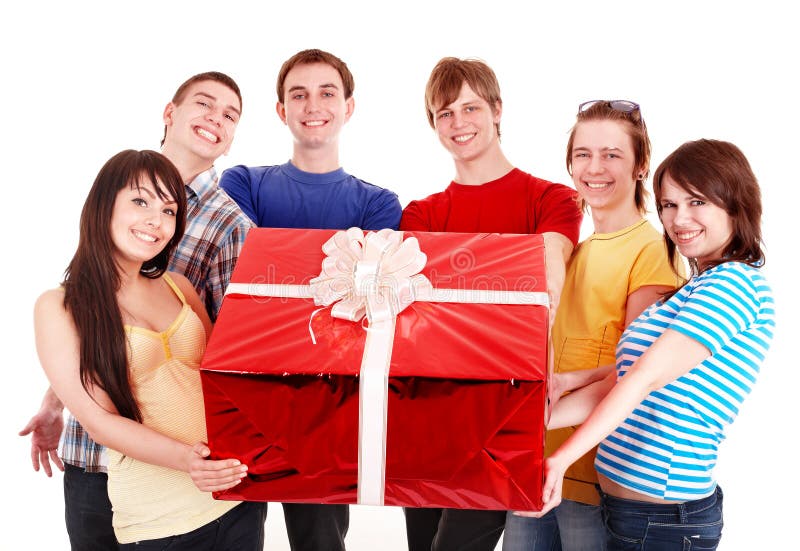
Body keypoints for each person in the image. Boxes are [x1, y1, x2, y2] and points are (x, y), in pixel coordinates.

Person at [20, 71, 258, 550]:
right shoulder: (64, 298)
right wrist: (54, 401)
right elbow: (88, 346)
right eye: (204, 103)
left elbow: (227, 368)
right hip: (107, 473)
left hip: (220, 488)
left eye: (169, 210)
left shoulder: (222, 234)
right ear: (170, 112)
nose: (155, 220)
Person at [537, 139, 775, 550]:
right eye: (668, 204)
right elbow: (624, 377)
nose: (679, 219)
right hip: (627, 511)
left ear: (736, 203)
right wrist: (525, 421)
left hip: (665, 522)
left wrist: (560, 459)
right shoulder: (696, 287)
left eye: (696, 202)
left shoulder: (735, 284)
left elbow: (642, 379)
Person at [220, 49, 402, 551]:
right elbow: (243, 270)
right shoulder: (243, 182)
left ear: (348, 107)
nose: (313, 105)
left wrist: (280, 261)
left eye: (327, 93)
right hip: (245, 379)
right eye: (298, 95)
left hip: (329, 393)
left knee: (319, 538)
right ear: (282, 110)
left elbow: (367, 303)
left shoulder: (378, 203)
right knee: (232, 527)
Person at [399, 56, 583, 551]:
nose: (458, 122)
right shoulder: (421, 214)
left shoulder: (552, 199)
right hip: (427, 415)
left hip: (503, 416)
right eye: (445, 113)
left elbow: (548, 272)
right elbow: (416, 316)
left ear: (497, 110)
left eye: (471, 107)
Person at [503, 100, 681, 551]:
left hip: (594, 479)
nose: (594, 167)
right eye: (583, 154)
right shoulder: (575, 252)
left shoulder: (651, 252)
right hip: (533, 468)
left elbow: (635, 374)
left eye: (611, 154)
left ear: (641, 165)